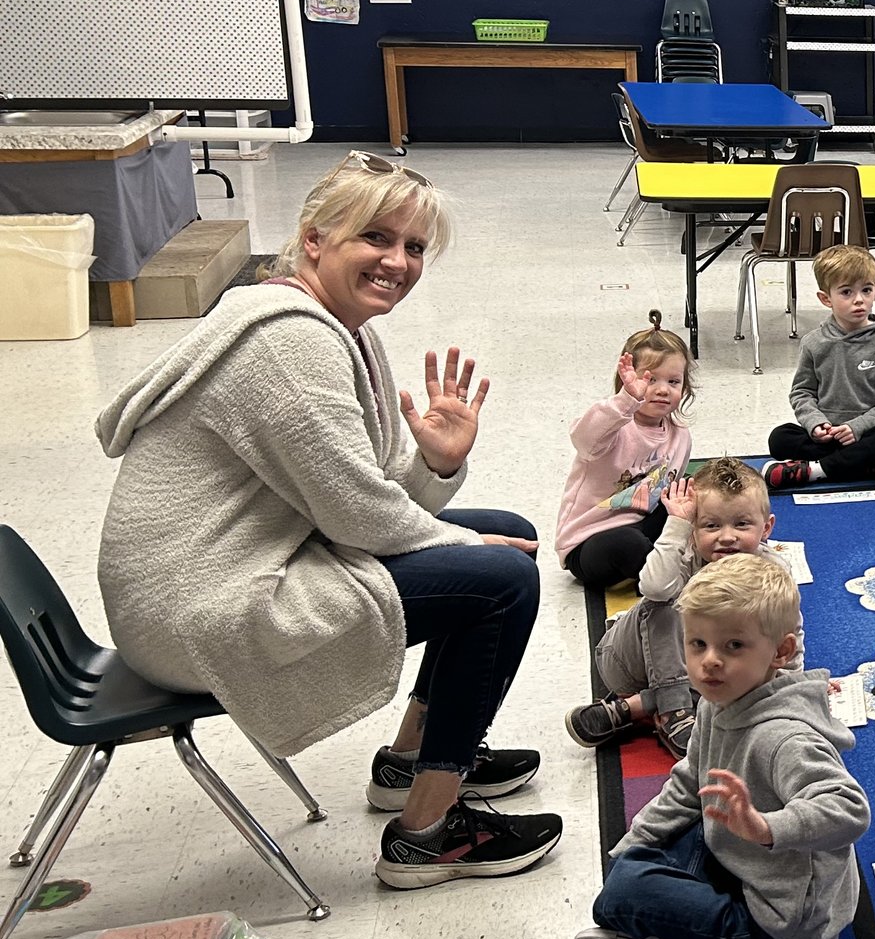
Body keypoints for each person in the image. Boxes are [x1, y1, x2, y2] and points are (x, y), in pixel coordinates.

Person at [94, 153, 560, 889]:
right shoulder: (291, 340)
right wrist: (463, 540)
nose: (398, 262)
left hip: (232, 563)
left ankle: (410, 764)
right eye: (377, 237)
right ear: (315, 239)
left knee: (501, 534)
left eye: (413, 247)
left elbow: (357, 496)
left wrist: (436, 465)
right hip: (197, 606)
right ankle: (426, 834)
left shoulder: (328, 320)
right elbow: (356, 514)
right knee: (501, 576)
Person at [574, 552, 867, 939]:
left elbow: (849, 808)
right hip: (740, 858)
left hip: (782, 928)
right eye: (698, 644)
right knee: (634, 863)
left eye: (733, 646)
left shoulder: (784, 737)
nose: (710, 661)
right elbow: (690, 782)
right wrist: (634, 844)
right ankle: (676, 921)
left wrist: (765, 828)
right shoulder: (720, 699)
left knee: (620, 898)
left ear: (781, 651)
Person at [569, 458, 801, 754]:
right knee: (667, 602)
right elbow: (653, 588)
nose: (727, 536)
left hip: (699, 668)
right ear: (693, 529)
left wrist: (793, 686)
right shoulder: (683, 555)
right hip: (628, 661)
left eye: (741, 524)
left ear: (766, 528)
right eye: (711, 526)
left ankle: (637, 707)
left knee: (745, 670)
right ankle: (672, 710)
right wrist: (676, 525)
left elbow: (787, 630)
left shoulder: (773, 569)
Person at [554, 314, 695, 590]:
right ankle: (670, 578)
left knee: (697, 500)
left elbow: (671, 493)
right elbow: (583, 438)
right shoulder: (614, 427)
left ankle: (662, 565)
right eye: (650, 380)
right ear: (627, 380)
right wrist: (626, 400)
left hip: (645, 525)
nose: (662, 390)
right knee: (626, 545)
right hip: (591, 541)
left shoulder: (680, 435)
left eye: (673, 382)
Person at [763, 246, 875, 491]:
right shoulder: (813, 343)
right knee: (779, 438)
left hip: (868, 434)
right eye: (846, 292)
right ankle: (868, 466)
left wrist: (858, 427)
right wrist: (815, 424)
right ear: (826, 298)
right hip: (826, 437)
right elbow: (802, 393)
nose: (859, 300)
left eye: (866, 290)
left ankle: (813, 471)